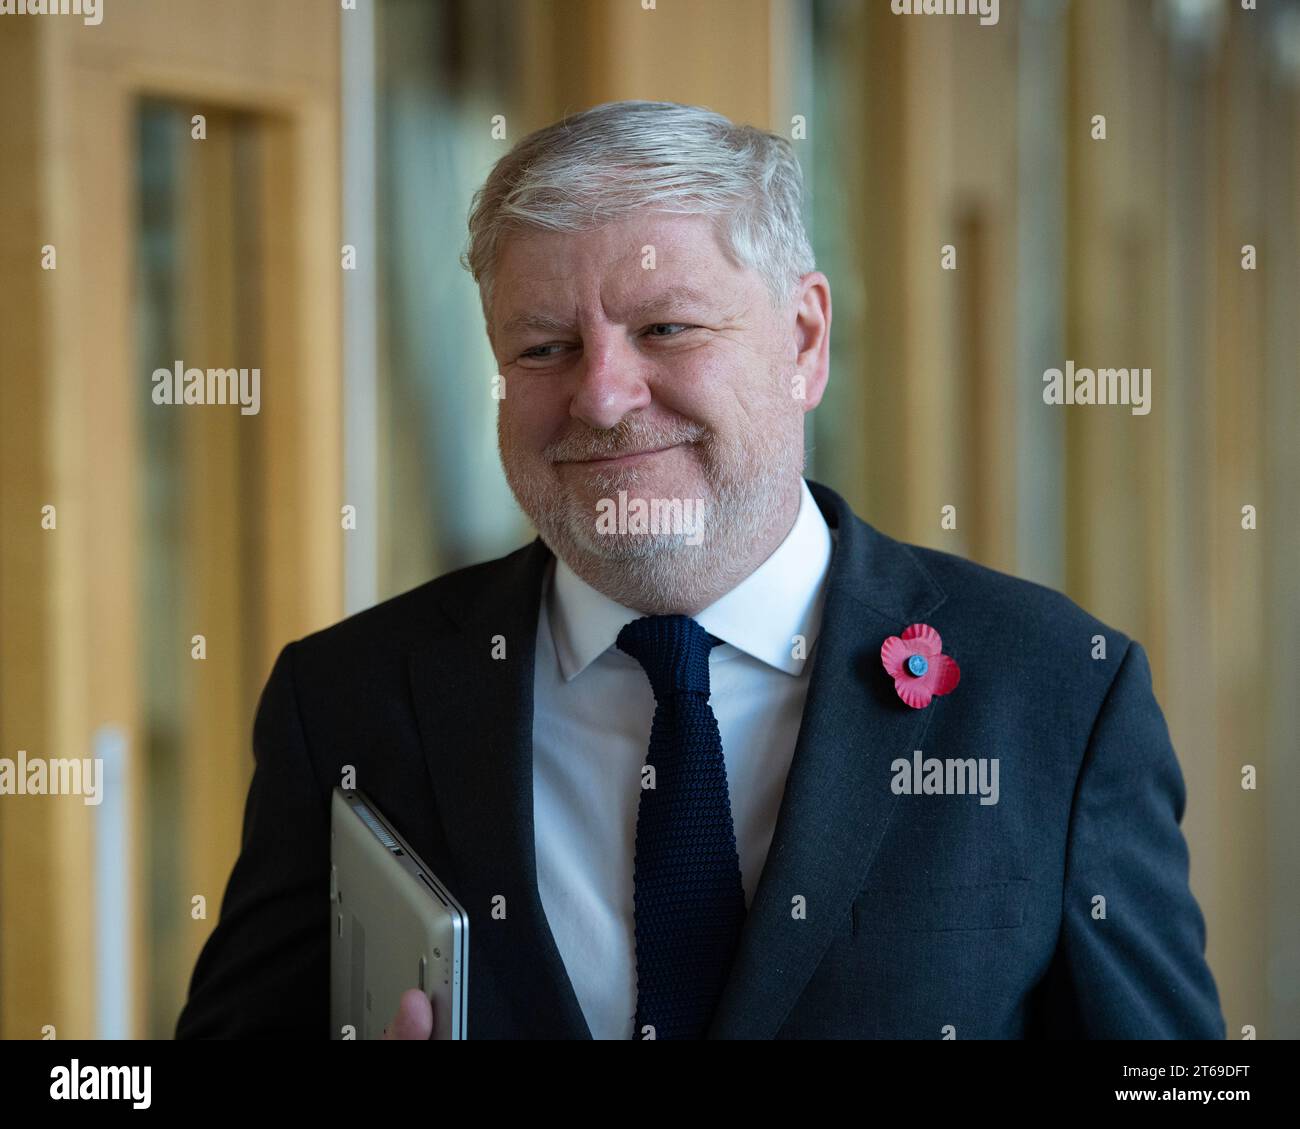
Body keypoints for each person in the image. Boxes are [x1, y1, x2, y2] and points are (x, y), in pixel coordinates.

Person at [175, 100, 1224, 1040]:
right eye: (542, 348)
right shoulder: (349, 700)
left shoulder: (1054, 691)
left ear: (805, 339)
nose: (600, 396)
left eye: (663, 327)